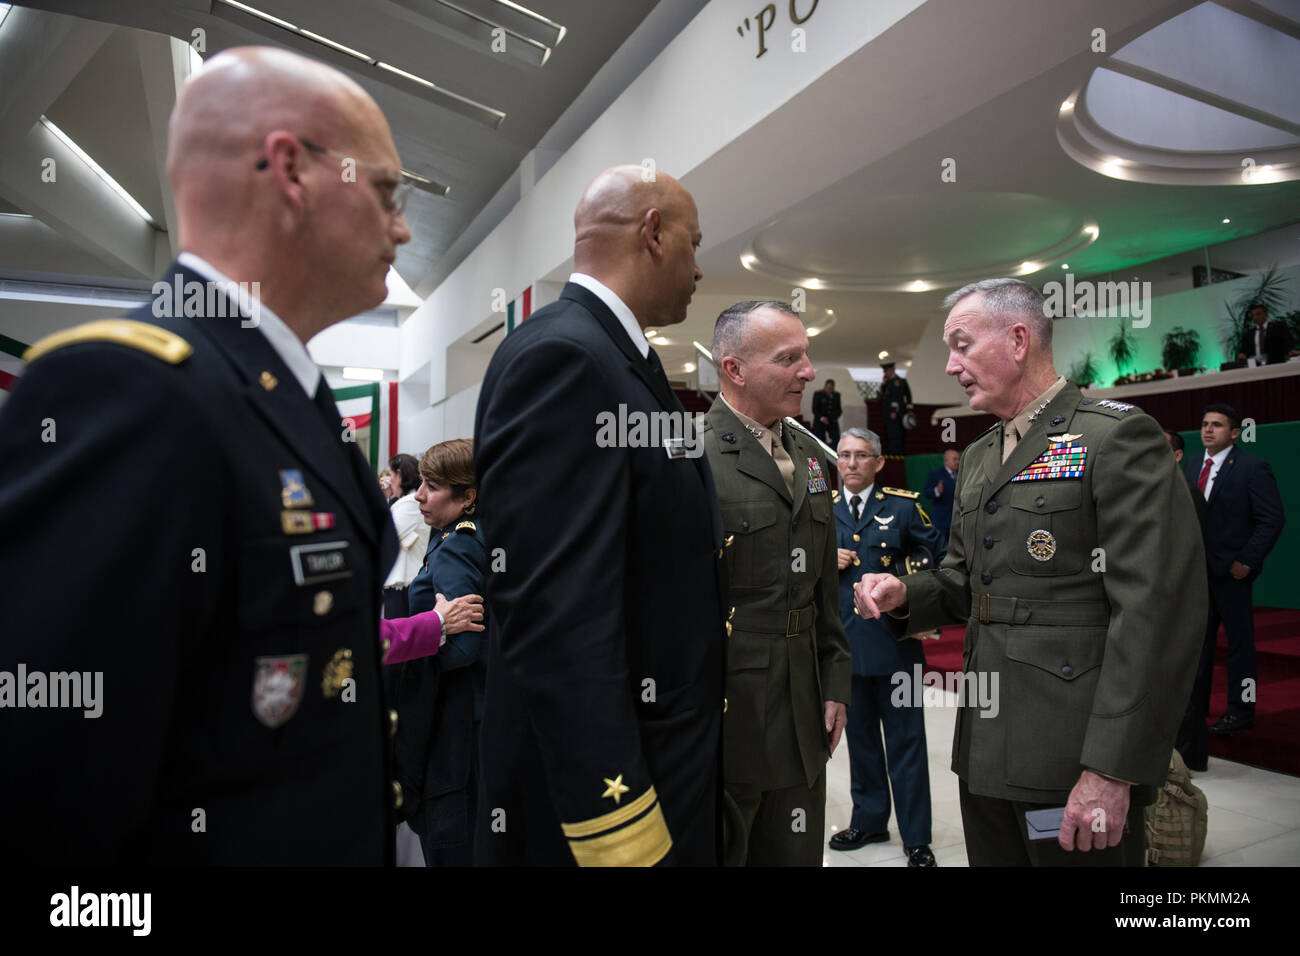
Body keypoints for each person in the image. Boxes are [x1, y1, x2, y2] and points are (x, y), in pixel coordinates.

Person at [0, 46, 416, 864]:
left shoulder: (283, 393)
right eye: (386, 192)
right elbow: (43, 800)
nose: (402, 227)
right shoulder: (128, 389)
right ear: (292, 170)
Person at [855, 277, 1205, 867]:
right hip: (986, 749)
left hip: (1070, 756)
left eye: (962, 345)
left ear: (1018, 339)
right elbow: (963, 581)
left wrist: (1111, 770)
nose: (951, 365)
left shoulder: (1114, 437)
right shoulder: (978, 455)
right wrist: (902, 594)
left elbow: (1156, 613)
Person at [473, 166, 727, 866]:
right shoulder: (566, 357)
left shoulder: (621, 359)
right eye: (693, 243)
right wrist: (617, 824)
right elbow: (555, 614)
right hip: (612, 801)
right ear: (653, 234)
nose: (699, 267)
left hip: (664, 756)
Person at [701, 299, 851, 867]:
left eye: (806, 356)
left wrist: (835, 680)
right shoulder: (690, 455)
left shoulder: (812, 455)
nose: (808, 372)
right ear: (734, 370)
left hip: (804, 705)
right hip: (728, 708)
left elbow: (822, 596)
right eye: (789, 359)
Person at [830, 427, 945, 866]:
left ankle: (916, 836)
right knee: (858, 740)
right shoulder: (824, 509)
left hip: (896, 645)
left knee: (906, 743)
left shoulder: (902, 505)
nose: (851, 463)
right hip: (845, 645)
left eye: (861, 455)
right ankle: (870, 819)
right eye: (844, 455)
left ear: (879, 463)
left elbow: (935, 559)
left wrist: (900, 576)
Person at [388, 438, 488, 867]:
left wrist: (418, 663)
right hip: (470, 716)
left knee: (450, 840)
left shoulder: (457, 547)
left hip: (455, 722)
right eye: (420, 483)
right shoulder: (464, 536)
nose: (420, 496)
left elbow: (465, 643)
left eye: (433, 486)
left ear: (468, 496)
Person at [1180, 404, 1285, 741]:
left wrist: (1248, 561)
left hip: (1233, 574)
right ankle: (1195, 709)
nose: (1208, 430)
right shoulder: (1193, 464)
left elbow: (1272, 519)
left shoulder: (1253, 468)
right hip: (1197, 574)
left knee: (1241, 647)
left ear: (1235, 433)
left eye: (1217, 425)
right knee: (1198, 646)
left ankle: (1242, 710)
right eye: (1204, 424)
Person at [383, 452, 430, 618]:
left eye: (390, 474)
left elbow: (387, 535)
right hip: (400, 582)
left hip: (405, 582)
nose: (389, 479)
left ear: (400, 473)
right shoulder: (403, 502)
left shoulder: (411, 502)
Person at [924, 448, 961, 540]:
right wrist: (937, 490)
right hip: (941, 521)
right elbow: (927, 493)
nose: (958, 462)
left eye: (959, 459)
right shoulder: (935, 474)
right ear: (946, 461)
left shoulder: (961, 475)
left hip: (957, 521)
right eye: (955, 459)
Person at [879, 360, 913, 456]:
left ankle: (896, 454)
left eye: (886, 371)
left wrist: (894, 411)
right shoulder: (889, 382)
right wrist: (883, 384)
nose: (884, 373)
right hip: (888, 413)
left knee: (896, 434)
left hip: (895, 413)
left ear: (892, 370)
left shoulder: (898, 382)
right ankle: (892, 453)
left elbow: (897, 398)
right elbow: (883, 396)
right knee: (890, 434)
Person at [811, 378, 842, 447]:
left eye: (831, 388)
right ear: (825, 386)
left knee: (835, 442)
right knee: (820, 443)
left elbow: (839, 410)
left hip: (832, 423)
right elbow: (814, 409)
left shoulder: (837, 395)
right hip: (820, 423)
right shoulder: (818, 394)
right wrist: (822, 418)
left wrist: (831, 418)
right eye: (828, 388)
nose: (829, 390)